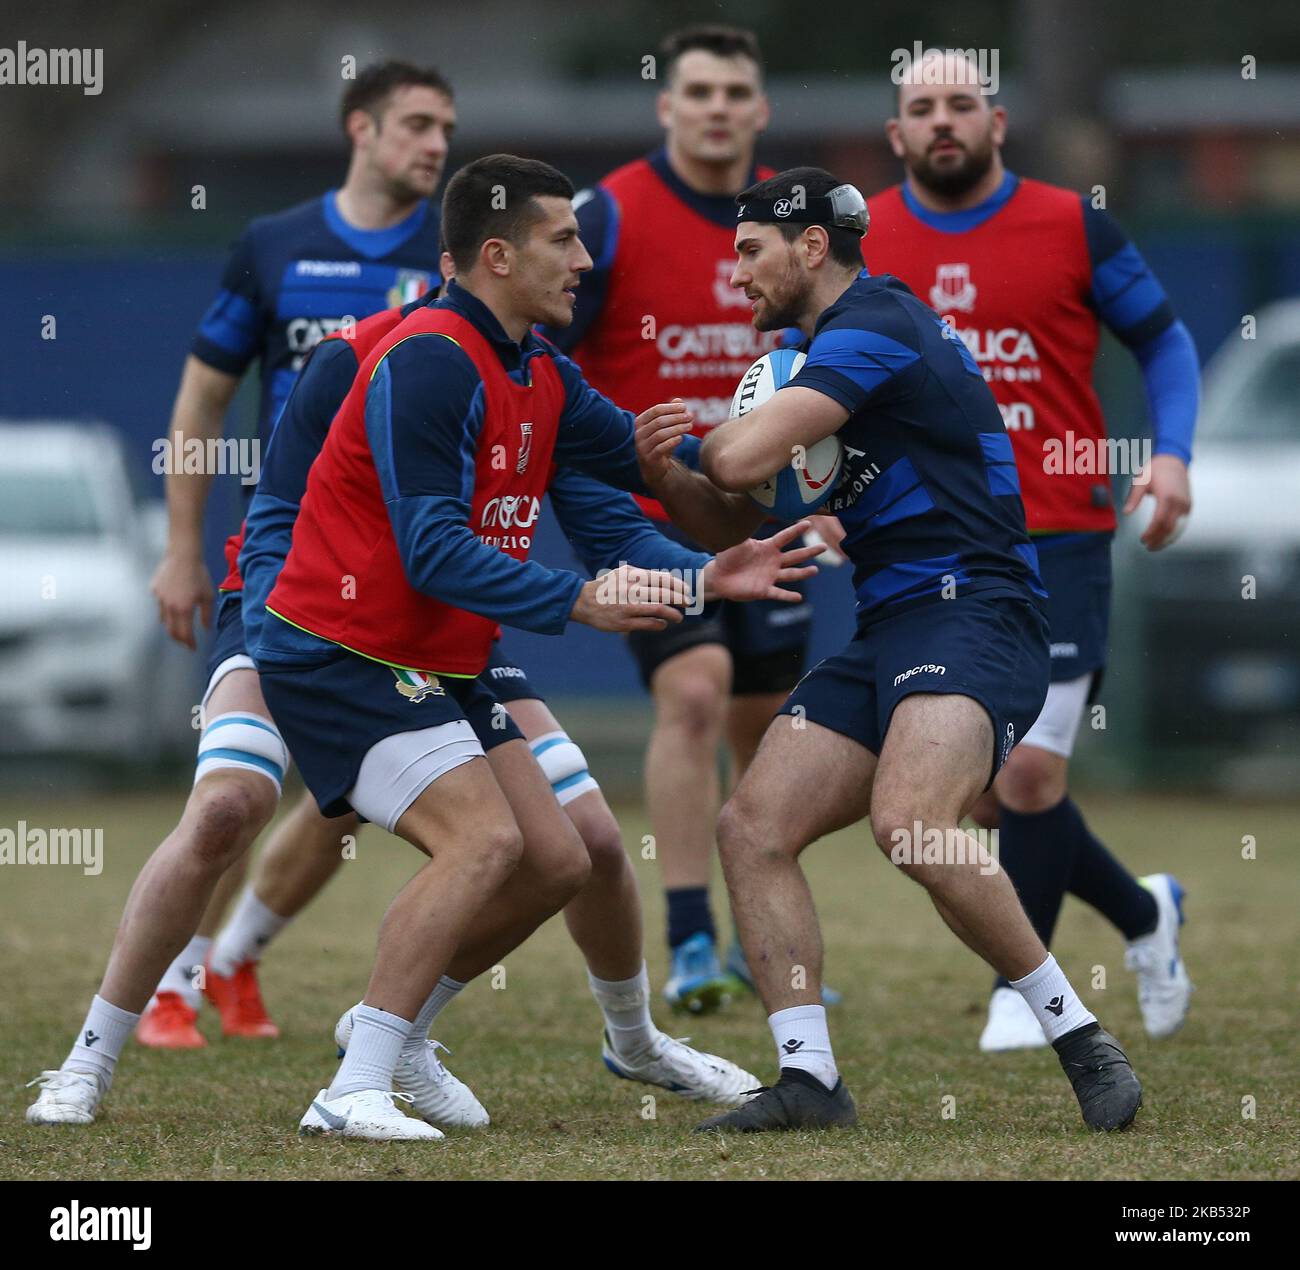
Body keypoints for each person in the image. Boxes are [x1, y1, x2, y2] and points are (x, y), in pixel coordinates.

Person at [24, 154, 817, 1138]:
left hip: (436, 645)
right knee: (282, 812)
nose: (586, 257)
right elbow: (420, 545)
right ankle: (134, 1063)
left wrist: (730, 533)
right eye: (564, 240)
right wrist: (577, 600)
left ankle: (504, 1038)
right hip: (327, 636)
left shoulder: (539, 370)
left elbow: (640, 485)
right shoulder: (409, 359)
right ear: (490, 257)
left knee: (570, 854)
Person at [637, 167, 1144, 1134]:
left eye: (749, 251)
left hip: (978, 615)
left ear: (812, 247)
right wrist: (655, 467)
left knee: (909, 820)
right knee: (751, 827)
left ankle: (1077, 1035)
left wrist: (703, 443)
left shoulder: (877, 323)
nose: (735, 275)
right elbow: (720, 520)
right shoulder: (811, 360)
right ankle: (808, 1079)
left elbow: (740, 463)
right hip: (890, 628)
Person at [864, 49, 1197, 1052]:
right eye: (921, 108)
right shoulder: (864, 237)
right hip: (922, 545)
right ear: (896, 135)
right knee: (973, 788)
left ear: (996, 122)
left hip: (1057, 536)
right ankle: (1143, 913)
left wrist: (1171, 455)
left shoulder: (1069, 222)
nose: (942, 122)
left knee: (1031, 779)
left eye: (961, 103)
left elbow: (1165, 341)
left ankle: (1025, 986)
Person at [140, 60, 455, 1046]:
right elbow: (201, 399)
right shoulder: (275, 246)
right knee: (241, 780)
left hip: (403, 556)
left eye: (446, 126)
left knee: (354, 790)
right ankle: (170, 979)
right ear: (359, 127)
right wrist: (181, 549)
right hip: (287, 551)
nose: (435, 144)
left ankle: (233, 956)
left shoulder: (457, 246)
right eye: (415, 124)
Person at [541, 23, 833, 1013]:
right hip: (644, 509)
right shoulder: (610, 213)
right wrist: (612, 452)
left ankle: (761, 939)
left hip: (767, 512)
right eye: (696, 91)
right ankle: (690, 938)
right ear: (666, 106)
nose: (716, 107)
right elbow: (544, 336)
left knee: (766, 721)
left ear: (760, 111)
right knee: (697, 691)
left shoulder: (796, 227)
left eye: (733, 92)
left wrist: (829, 497)